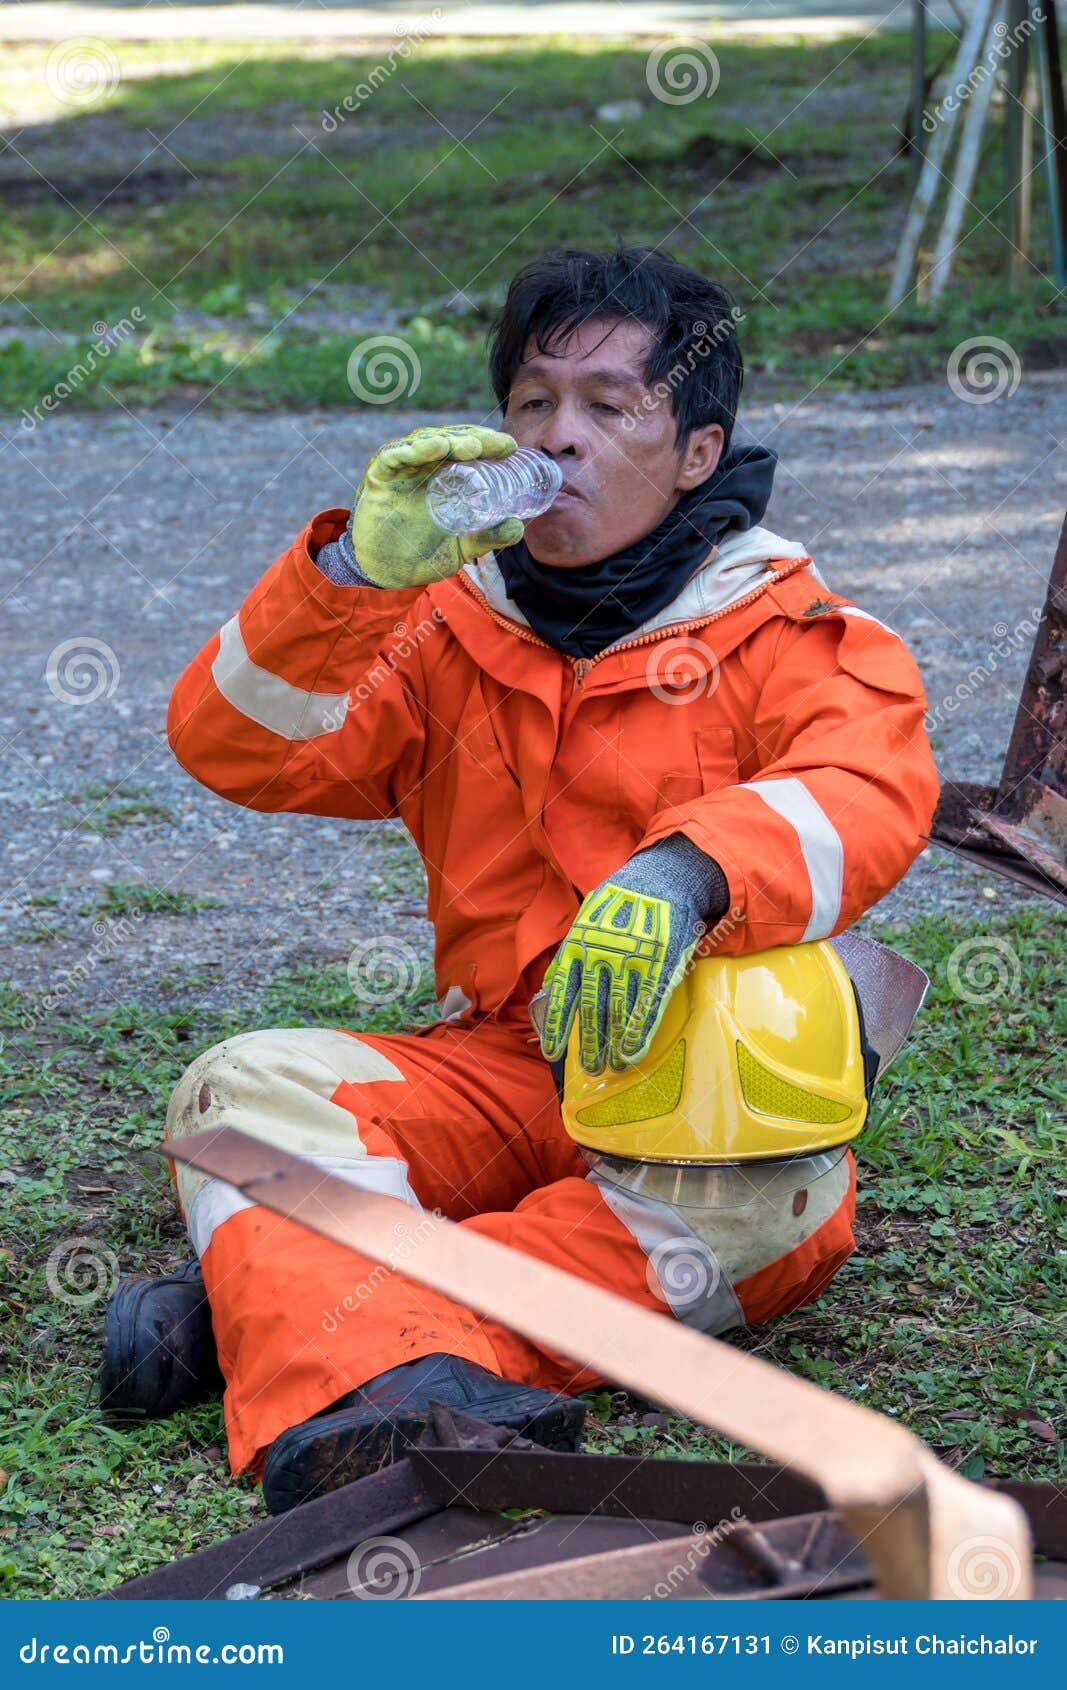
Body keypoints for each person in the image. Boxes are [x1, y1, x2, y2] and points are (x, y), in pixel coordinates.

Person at [100, 245, 939, 1515]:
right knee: (238, 1097)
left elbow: (866, 789)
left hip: (700, 1103)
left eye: (609, 408)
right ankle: (371, 1354)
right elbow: (236, 746)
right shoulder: (439, 619)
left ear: (696, 452)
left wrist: (687, 872)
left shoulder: (801, 630)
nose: (559, 439)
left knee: (779, 1220)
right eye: (533, 403)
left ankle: (287, 1325)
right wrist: (354, 581)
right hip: (496, 1065)